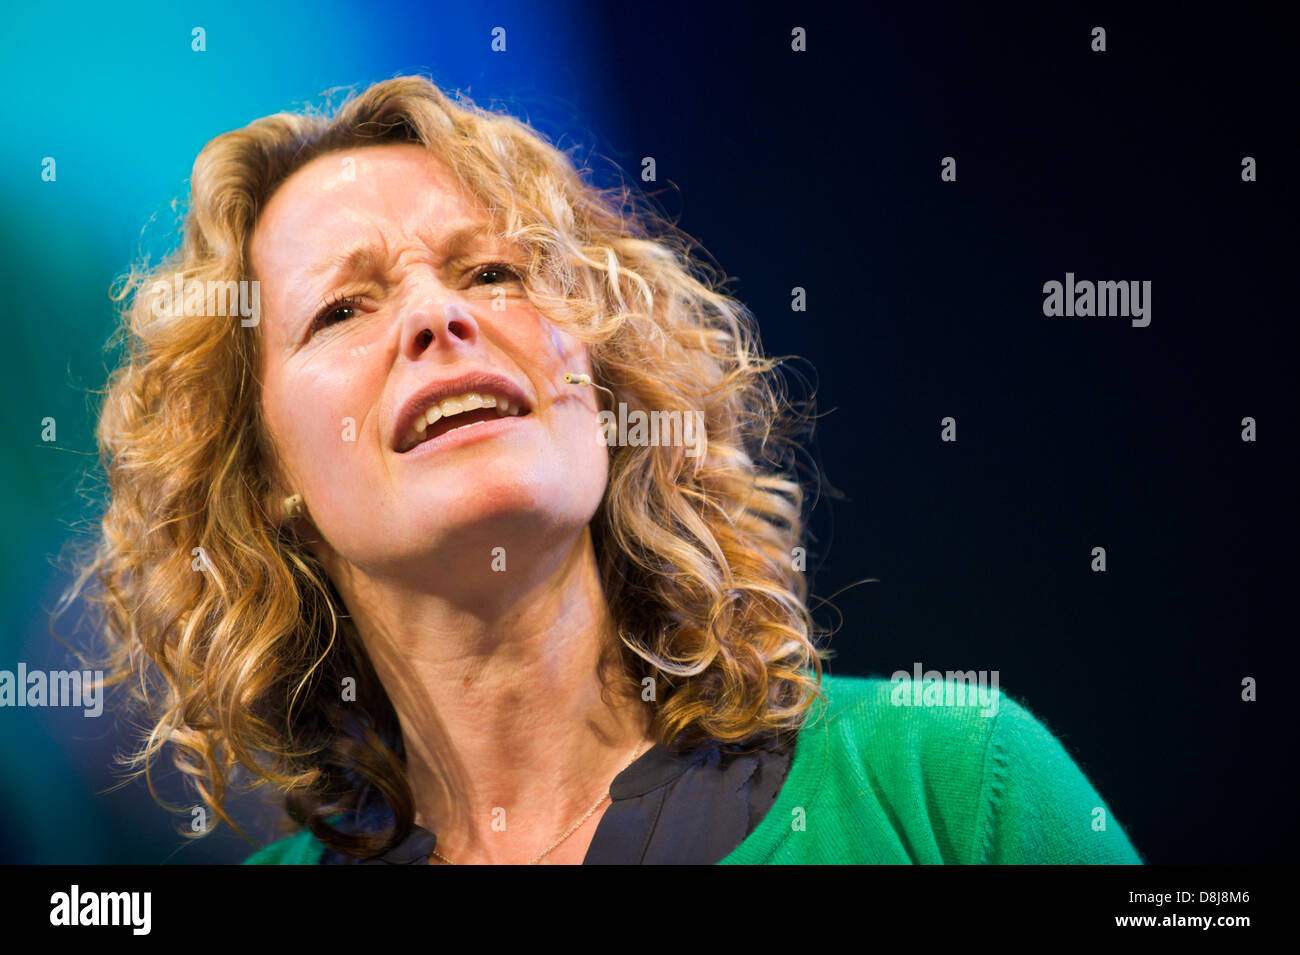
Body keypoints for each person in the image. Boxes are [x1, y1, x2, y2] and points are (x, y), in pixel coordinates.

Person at [62, 75, 1142, 865]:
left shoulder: (947, 783)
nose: (439, 314)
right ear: (266, 482)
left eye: (491, 270)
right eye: (344, 308)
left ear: (602, 385)